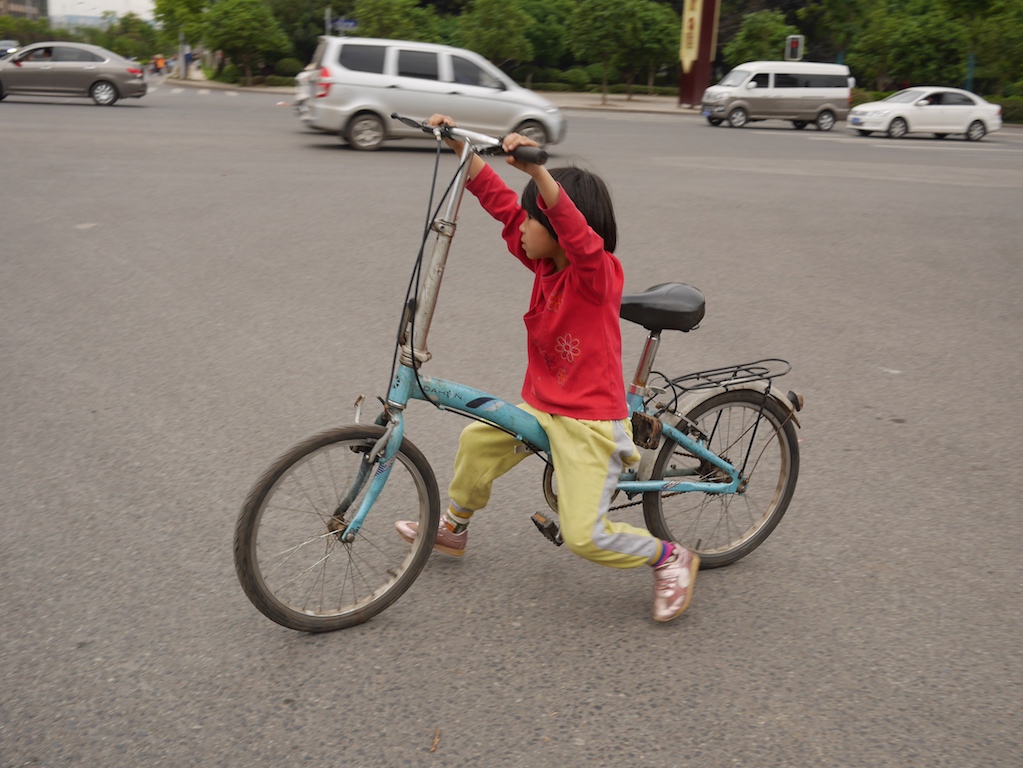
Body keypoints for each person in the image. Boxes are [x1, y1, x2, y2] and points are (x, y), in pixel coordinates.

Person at [395, 114, 699, 622]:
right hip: (544, 406)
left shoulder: (595, 274)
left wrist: (541, 176)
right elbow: (501, 206)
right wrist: (459, 149)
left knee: (585, 536)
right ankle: (453, 528)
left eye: (536, 219)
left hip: (589, 424)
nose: (523, 226)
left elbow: (579, 236)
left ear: (559, 229)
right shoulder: (545, 262)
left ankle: (670, 557)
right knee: (476, 441)